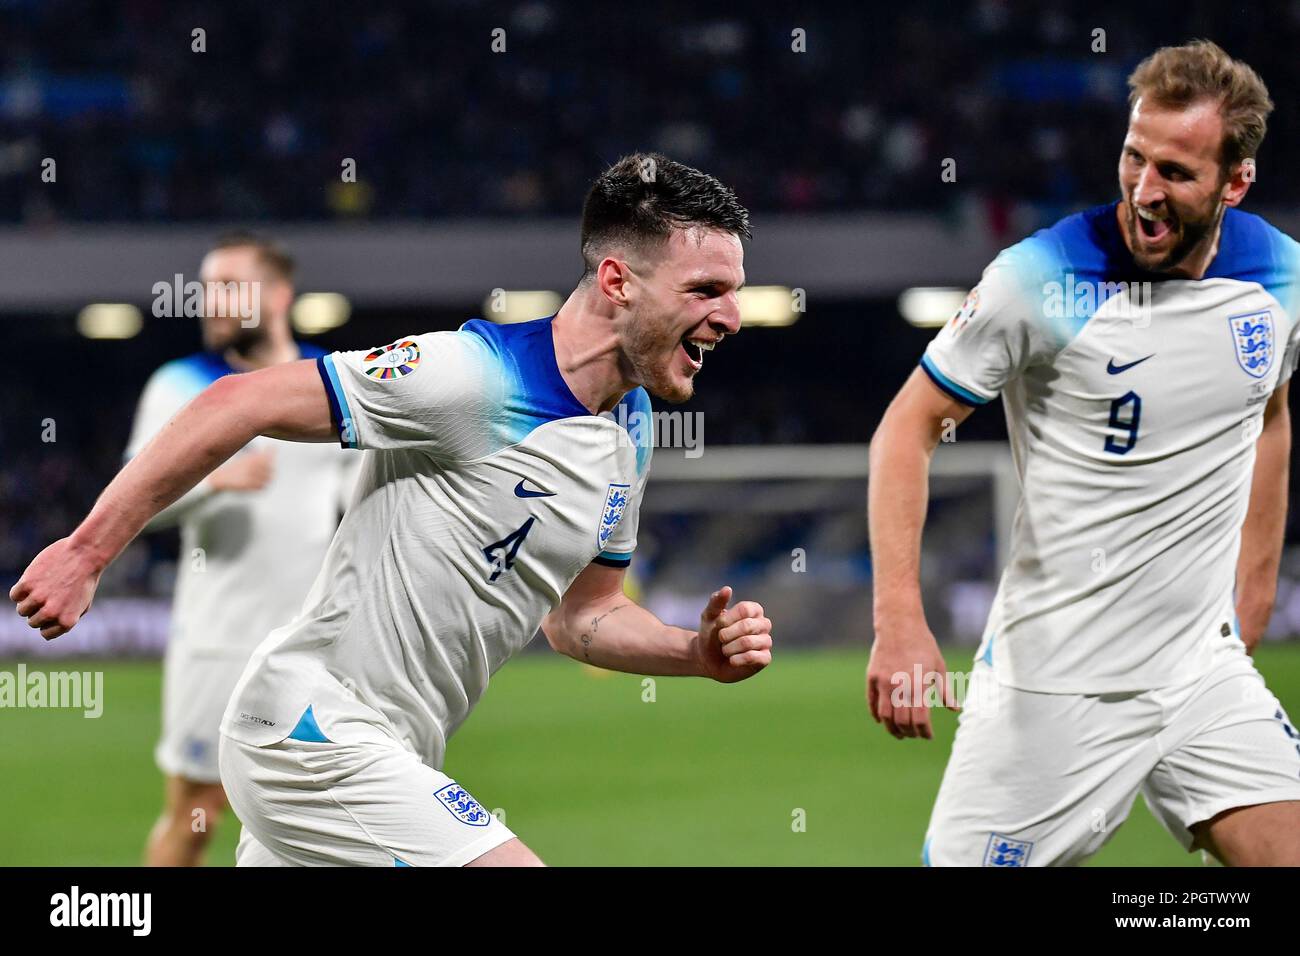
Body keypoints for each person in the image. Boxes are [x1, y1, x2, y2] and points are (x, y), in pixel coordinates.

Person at [11, 154, 774, 867]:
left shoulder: (629, 431)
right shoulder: (466, 377)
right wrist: (86, 552)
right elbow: (236, 401)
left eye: (734, 292)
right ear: (616, 280)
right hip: (310, 731)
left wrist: (692, 655)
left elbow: (582, 616)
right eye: (706, 290)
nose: (733, 316)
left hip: (394, 752)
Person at [867, 40, 1300, 866]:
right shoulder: (1038, 280)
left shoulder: (1281, 277)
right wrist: (899, 623)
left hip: (1201, 674)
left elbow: (1271, 414)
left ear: (1235, 182)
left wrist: (1252, 590)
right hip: (1053, 684)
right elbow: (906, 429)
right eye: (1134, 159)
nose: (1143, 191)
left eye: (1175, 171)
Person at [129, 233, 356, 866]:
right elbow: (132, 507)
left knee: (321, 825)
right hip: (217, 643)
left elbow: (358, 496)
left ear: (279, 295)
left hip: (313, 649)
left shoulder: (331, 383)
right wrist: (207, 480)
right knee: (195, 816)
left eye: (230, 285)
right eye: (206, 288)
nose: (210, 301)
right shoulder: (179, 385)